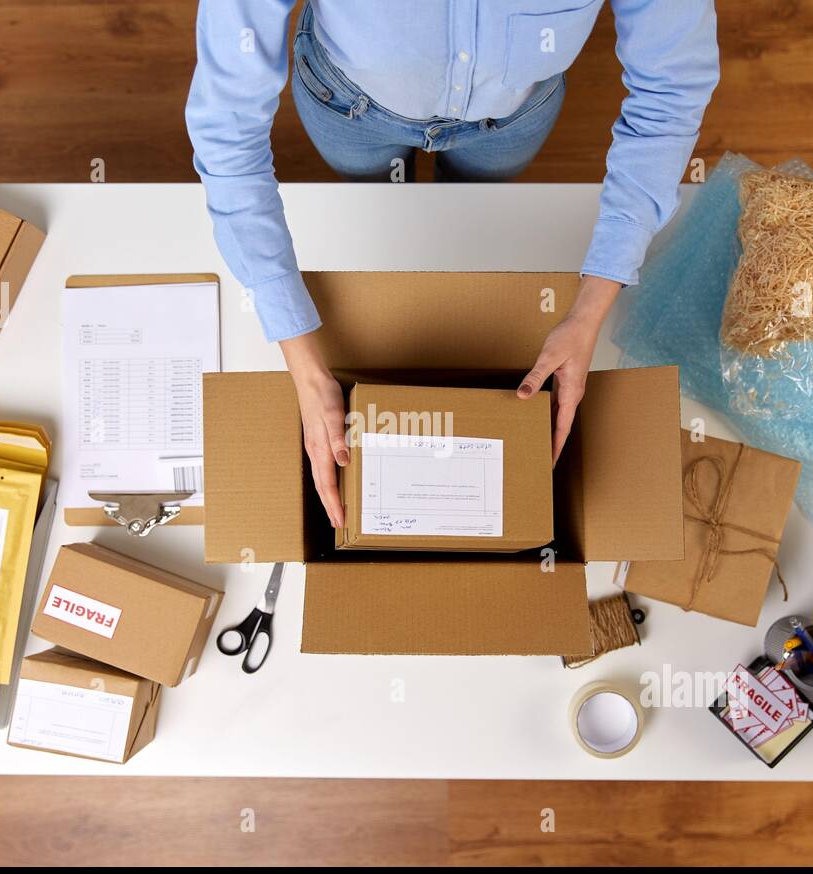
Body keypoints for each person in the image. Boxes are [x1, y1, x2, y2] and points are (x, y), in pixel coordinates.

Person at [186, 0, 718, 528]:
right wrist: (301, 361)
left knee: (475, 201)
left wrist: (589, 311)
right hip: (350, 105)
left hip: (511, 117)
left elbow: (670, 91)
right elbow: (226, 124)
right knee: (371, 199)